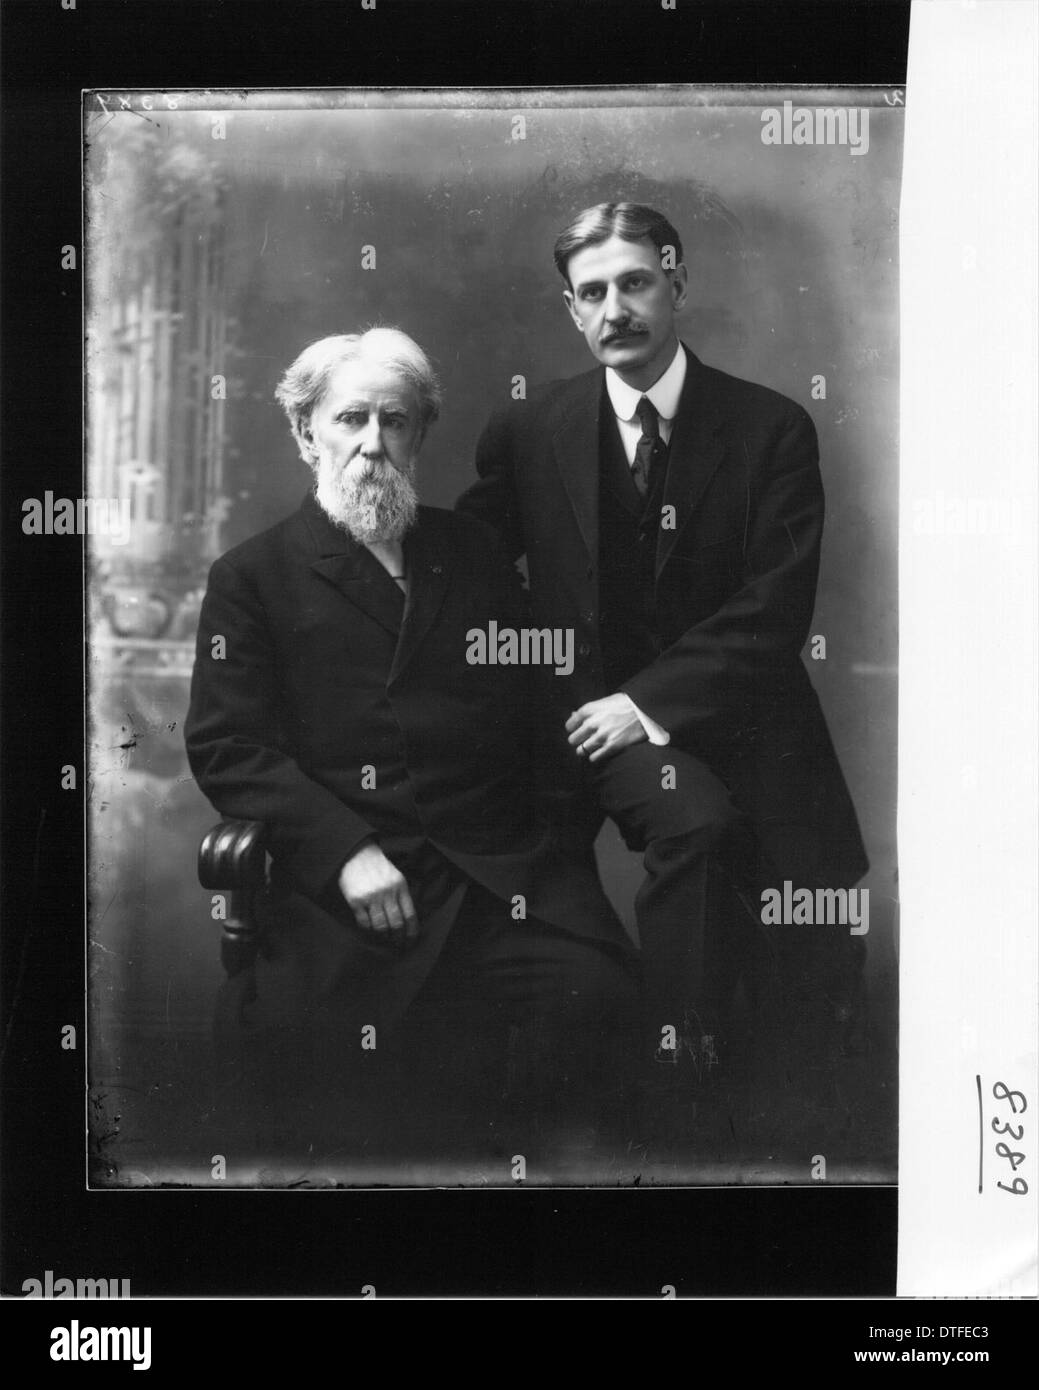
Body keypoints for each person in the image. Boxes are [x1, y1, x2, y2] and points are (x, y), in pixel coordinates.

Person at [185, 327, 638, 1169]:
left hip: (504, 877)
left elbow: (541, 710)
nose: (371, 443)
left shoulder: (469, 554)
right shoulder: (253, 578)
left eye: (394, 421)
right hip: (359, 893)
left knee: (602, 1003)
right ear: (305, 434)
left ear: (418, 435)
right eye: (348, 419)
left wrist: (554, 849)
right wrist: (346, 853)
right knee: (330, 1076)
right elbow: (228, 745)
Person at [456, 202, 869, 1123]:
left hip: (744, 714)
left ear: (676, 278)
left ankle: (711, 1084)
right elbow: (471, 571)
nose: (615, 310)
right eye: (590, 292)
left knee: (811, 942)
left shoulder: (768, 428)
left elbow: (774, 608)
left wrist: (642, 703)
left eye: (634, 282)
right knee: (684, 832)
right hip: (572, 725)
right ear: (570, 309)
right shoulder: (530, 429)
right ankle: (669, 1058)